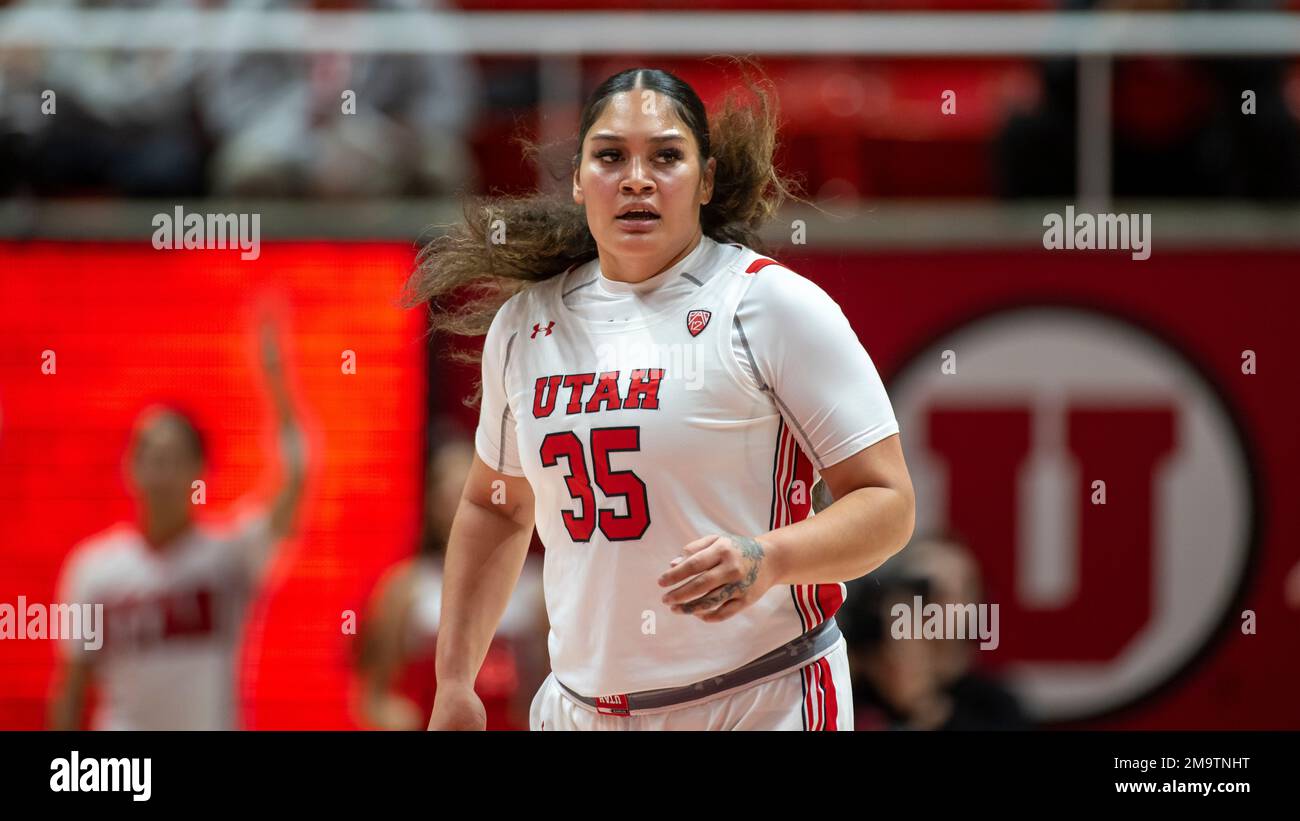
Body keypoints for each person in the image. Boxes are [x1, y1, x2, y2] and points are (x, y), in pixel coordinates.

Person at [406, 62, 915, 731]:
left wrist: (770, 559)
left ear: (704, 180)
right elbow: (495, 507)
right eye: (611, 156)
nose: (637, 178)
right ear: (580, 180)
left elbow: (888, 503)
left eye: (666, 157)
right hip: (580, 709)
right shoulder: (525, 325)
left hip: (761, 698)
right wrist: (454, 679)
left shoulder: (768, 305)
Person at [47, 319, 307, 730]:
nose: (161, 470)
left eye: (174, 458)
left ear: (199, 469)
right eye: (149, 456)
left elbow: (295, 479)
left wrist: (277, 383)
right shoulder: (94, 567)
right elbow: (73, 685)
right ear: (129, 466)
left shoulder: (229, 556)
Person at [353, 431, 547, 730]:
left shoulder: (539, 586)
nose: (461, 499)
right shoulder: (405, 587)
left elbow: (557, 680)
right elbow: (373, 693)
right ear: (433, 503)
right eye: (451, 491)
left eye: (467, 486)